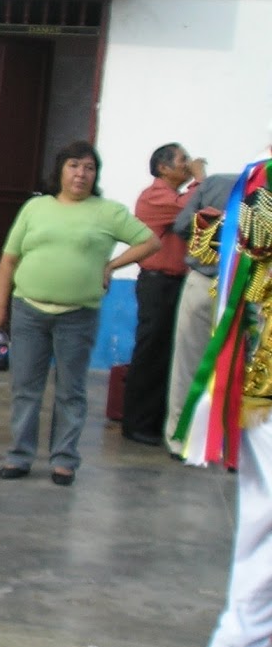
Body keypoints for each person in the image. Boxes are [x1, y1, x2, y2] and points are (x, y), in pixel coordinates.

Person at [0, 141, 159, 485]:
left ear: (96, 174)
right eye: (74, 166)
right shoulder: (36, 207)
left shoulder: (108, 211)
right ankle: (20, 456)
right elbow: (9, 259)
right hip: (29, 311)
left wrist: (111, 265)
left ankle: (64, 459)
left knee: (71, 390)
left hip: (78, 315)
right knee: (25, 387)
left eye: (89, 167)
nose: (81, 173)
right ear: (60, 170)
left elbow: (150, 241)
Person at [183, 150, 272, 647]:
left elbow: (212, 244)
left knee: (262, 513)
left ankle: (245, 634)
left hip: (255, 371)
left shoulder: (256, 184)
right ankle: (246, 635)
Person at [122, 142, 199, 445]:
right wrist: (201, 178)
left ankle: (154, 422)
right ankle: (136, 423)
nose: (188, 164)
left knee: (167, 354)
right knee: (150, 353)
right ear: (163, 168)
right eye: (183, 160)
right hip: (157, 283)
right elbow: (189, 208)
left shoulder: (176, 195)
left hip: (175, 282)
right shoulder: (155, 196)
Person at [166, 170, 239, 456]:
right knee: (239, 370)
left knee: (186, 365)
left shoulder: (216, 183)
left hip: (203, 281)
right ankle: (229, 443)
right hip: (248, 292)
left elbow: (182, 224)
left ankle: (179, 440)